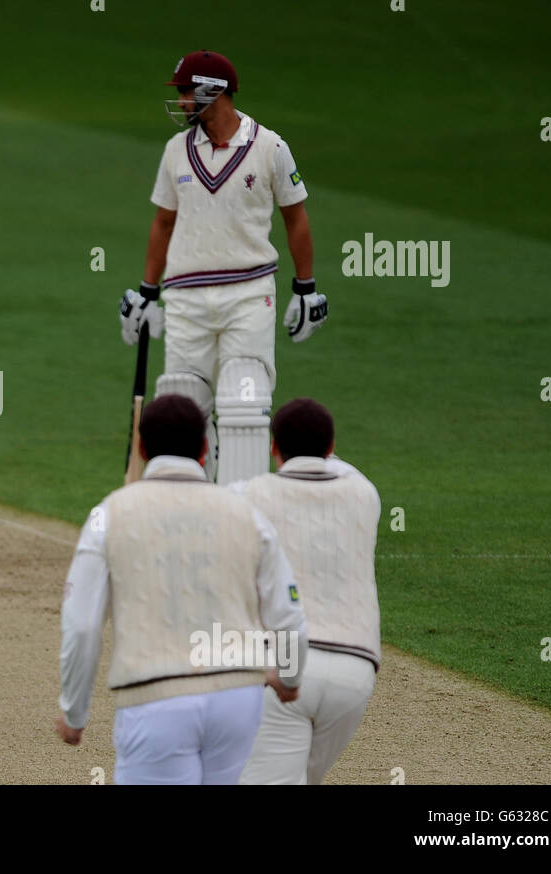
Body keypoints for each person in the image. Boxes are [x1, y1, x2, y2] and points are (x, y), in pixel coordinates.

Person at [55, 394, 307, 784]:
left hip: (155, 696)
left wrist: (75, 713)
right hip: (238, 696)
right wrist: (289, 678)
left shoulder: (108, 514)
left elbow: (82, 626)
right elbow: (288, 612)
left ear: (140, 448)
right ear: (205, 449)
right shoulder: (248, 514)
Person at [118, 50, 328, 486]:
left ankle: (242, 519)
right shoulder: (176, 151)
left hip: (249, 294)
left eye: (184, 91)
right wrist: (146, 291)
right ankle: (189, 517)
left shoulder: (270, 147)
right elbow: (163, 223)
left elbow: (296, 218)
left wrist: (306, 288)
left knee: (244, 401)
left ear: (211, 91)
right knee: (179, 406)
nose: (179, 101)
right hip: (185, 298)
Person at [231, 398, 381, 784]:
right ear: (331, 450)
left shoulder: (245, 496)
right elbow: (338, 464)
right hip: (355, 671)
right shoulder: (365, 494)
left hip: (283, 667)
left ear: (272, 448)